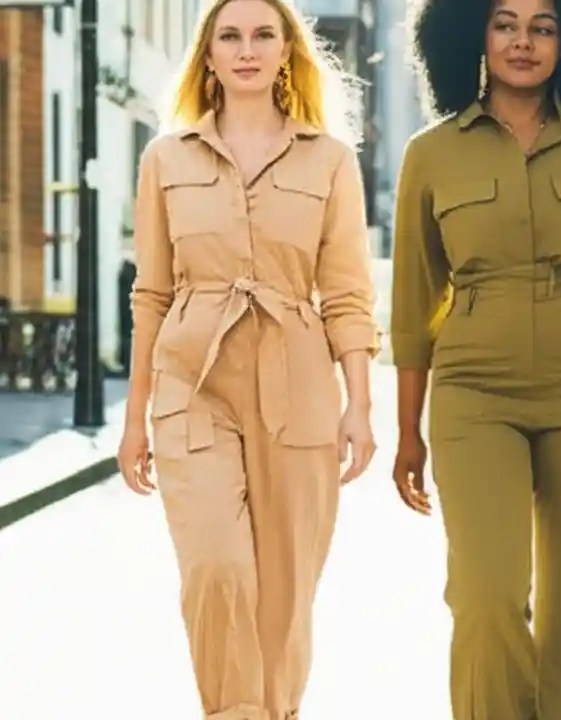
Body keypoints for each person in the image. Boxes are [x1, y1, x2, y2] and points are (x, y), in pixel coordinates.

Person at [390, 0, 561, 717]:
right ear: (473, 35)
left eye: (542, 26)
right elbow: (413, 304)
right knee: (486, 594)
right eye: (505, 23)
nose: (523, 41)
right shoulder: (431, 153)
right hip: (475, 388)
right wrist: (405, 432)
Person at [114, 0, 378, 717]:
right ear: (207, 55)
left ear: (289, 50)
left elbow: (348, 295)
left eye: (265, 34)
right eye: (229, 35)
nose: (247, 49)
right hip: (190, 383)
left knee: (286, 594)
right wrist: (135, 418)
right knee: (218, 570)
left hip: (298, 387)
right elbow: (151, 294)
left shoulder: (331, 161)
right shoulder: (166, 158)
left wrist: (360, 405)